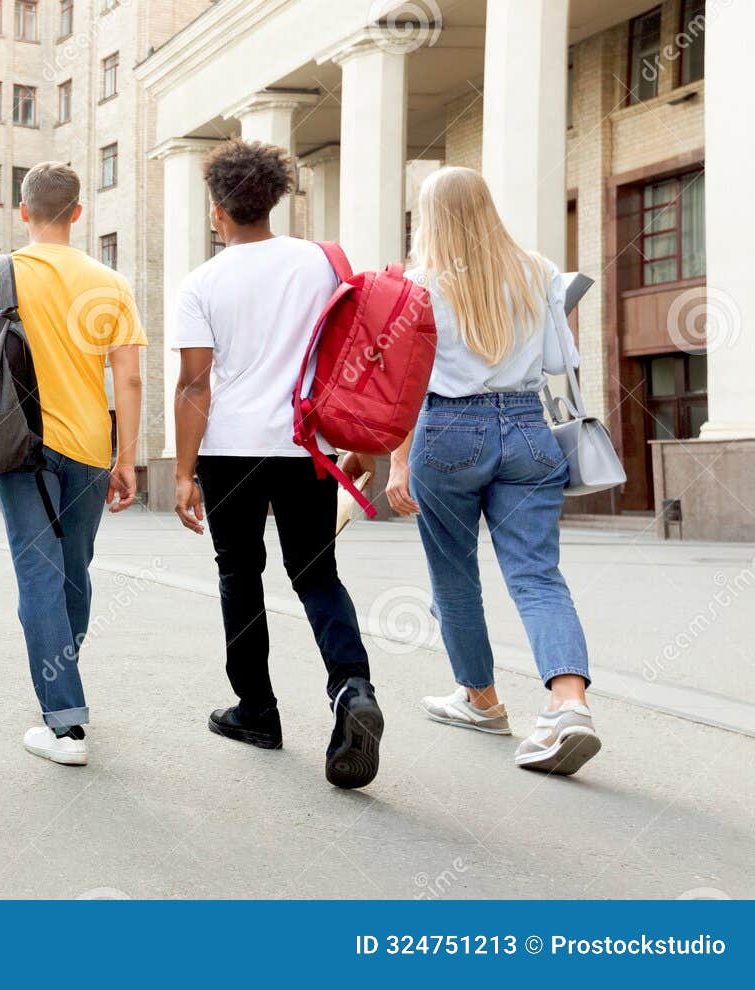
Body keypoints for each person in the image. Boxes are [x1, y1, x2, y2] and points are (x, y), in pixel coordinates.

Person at [170, 138, 383, 790]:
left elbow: (195, 387)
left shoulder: (202, 283)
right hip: (304, 441)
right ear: (275, 199)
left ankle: (256, 712)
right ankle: (351, 689)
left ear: (219, 211)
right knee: (317, 574)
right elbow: (354, 353)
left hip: (228, 450)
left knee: (240, 573)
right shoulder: (318, 264)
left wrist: (182, 474)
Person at [385, 166, 601, 776]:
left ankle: (481, 699)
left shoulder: (417, 285)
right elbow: (562, 359)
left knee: (454, 575)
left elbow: (406, 386)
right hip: (530, 429)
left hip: (448, 432)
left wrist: (398, 461)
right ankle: (568, 705)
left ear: (429, 219)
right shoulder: (536, 272)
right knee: (536, 575)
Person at [0, 161, 145, 768]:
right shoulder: (109, 282)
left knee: (39, 579)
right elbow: (130, 378)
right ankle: (64, 687)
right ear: (77, 213)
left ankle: (64, 725)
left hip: (20, 447)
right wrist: (128, 459)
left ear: (23, 212)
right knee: (73, 574)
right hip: (91, 449)